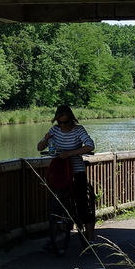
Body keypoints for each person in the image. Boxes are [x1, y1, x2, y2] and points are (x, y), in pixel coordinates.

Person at [37, 104, 95, 254]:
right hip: (61, 170)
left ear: (71, 119)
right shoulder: (54, 130)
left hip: (76, 170)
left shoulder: (78, 130)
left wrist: (70, 153)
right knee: (55, 201)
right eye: (60, 122)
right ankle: (54, 237)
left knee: (82, 202)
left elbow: (89, 145)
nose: (62, 125)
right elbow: (39, 147)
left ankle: (90, 241)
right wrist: (46, 139)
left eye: (65, 122)